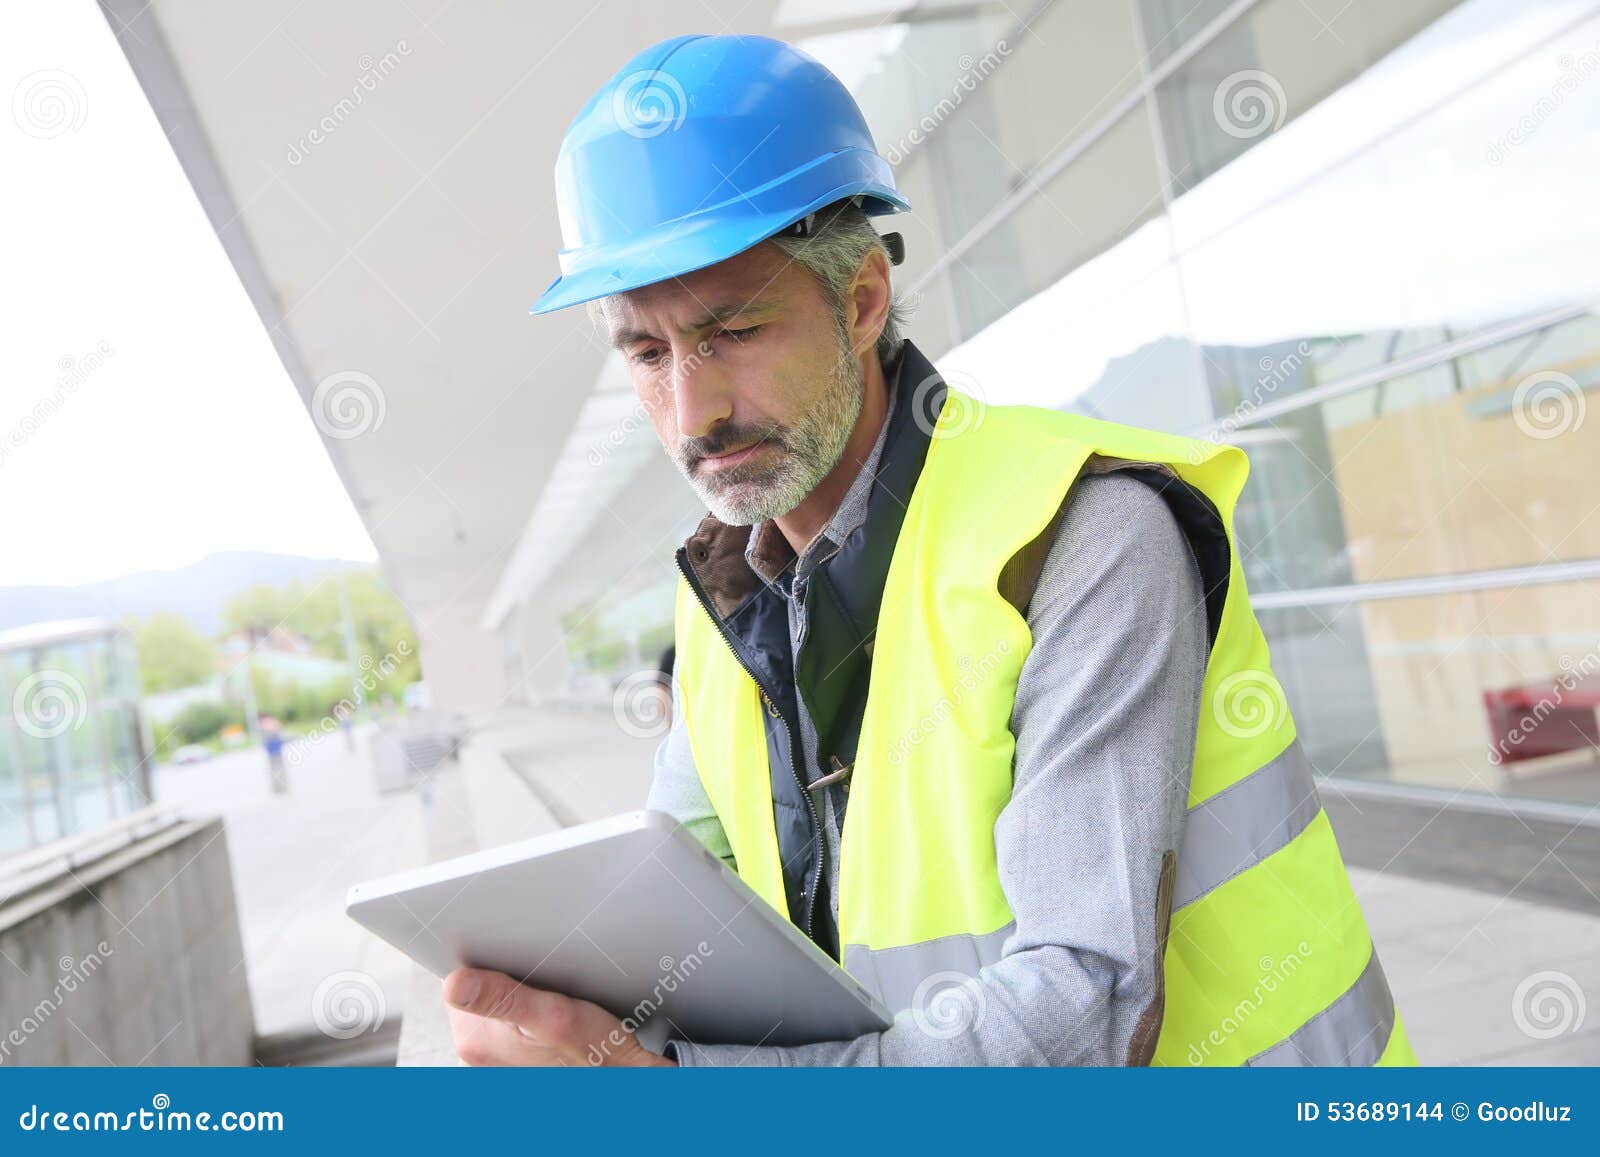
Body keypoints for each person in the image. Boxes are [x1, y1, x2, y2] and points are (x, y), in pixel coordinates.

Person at [442, 34, 1416, 1068]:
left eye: (733, 331)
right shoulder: (723, 593)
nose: (693, 410)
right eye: (647, 350)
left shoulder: (1079, 535)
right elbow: (672, 900)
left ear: (859, 301)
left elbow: (1082, 1004)